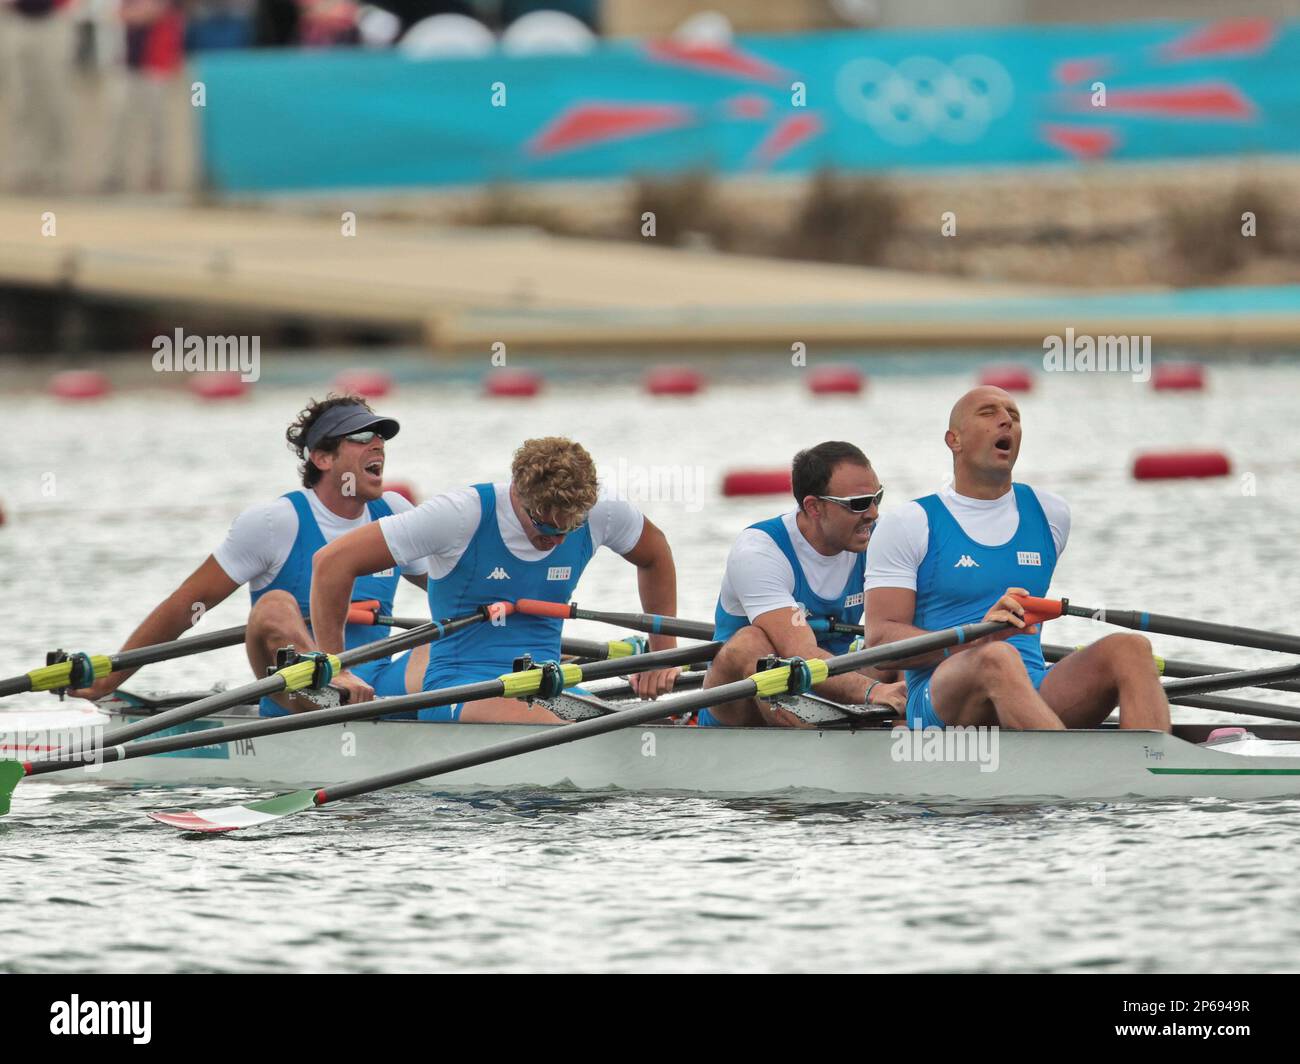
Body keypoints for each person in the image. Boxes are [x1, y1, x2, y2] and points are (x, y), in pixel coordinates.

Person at [73, 395, 430, 714]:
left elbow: (451, 587)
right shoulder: (275, 523)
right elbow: (186, 605)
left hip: (376, 686)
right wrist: (110, 678)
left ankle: (464, 714)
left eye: (380, 437)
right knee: (273, 605)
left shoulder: (395, 513)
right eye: (362, 437)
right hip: (295, 691)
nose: (378, 445)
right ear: (322, 457)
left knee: (446, 637)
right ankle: (329, 680)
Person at [864, 386, 1171, 732]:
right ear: (954, 440)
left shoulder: (1051, 514)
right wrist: (977, 639)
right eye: (988, 413)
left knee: (1131, 648)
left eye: (1014, 414)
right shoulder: (909, 523)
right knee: (997, 657)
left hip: (1031, 687)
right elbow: (880, 643)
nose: (1006, 420)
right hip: (938, 700)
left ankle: (1156, 767)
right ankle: (1067, 770)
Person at [311, 436, 681, 723]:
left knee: (663, 722)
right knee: (559, 732)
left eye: (570, 528)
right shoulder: (459, 515)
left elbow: (655, 554)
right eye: (546, 527)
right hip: (459, 690)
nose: (557, 540)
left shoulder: (602, 511)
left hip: (548, 684)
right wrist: (336, 668)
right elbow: (331, 563)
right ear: (518, 494)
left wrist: (663, 653)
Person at [698, 441, 906, 727]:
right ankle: (811, 751)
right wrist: (872, 691)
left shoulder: (880, 541)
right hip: (745, 702)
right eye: (858, 504)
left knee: (907, 641)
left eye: (877, 498)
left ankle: (906, 741)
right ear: (814, 507)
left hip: (832, 687)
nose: (873, 513)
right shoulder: (759, 550)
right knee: (751, 643)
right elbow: (801, 654)